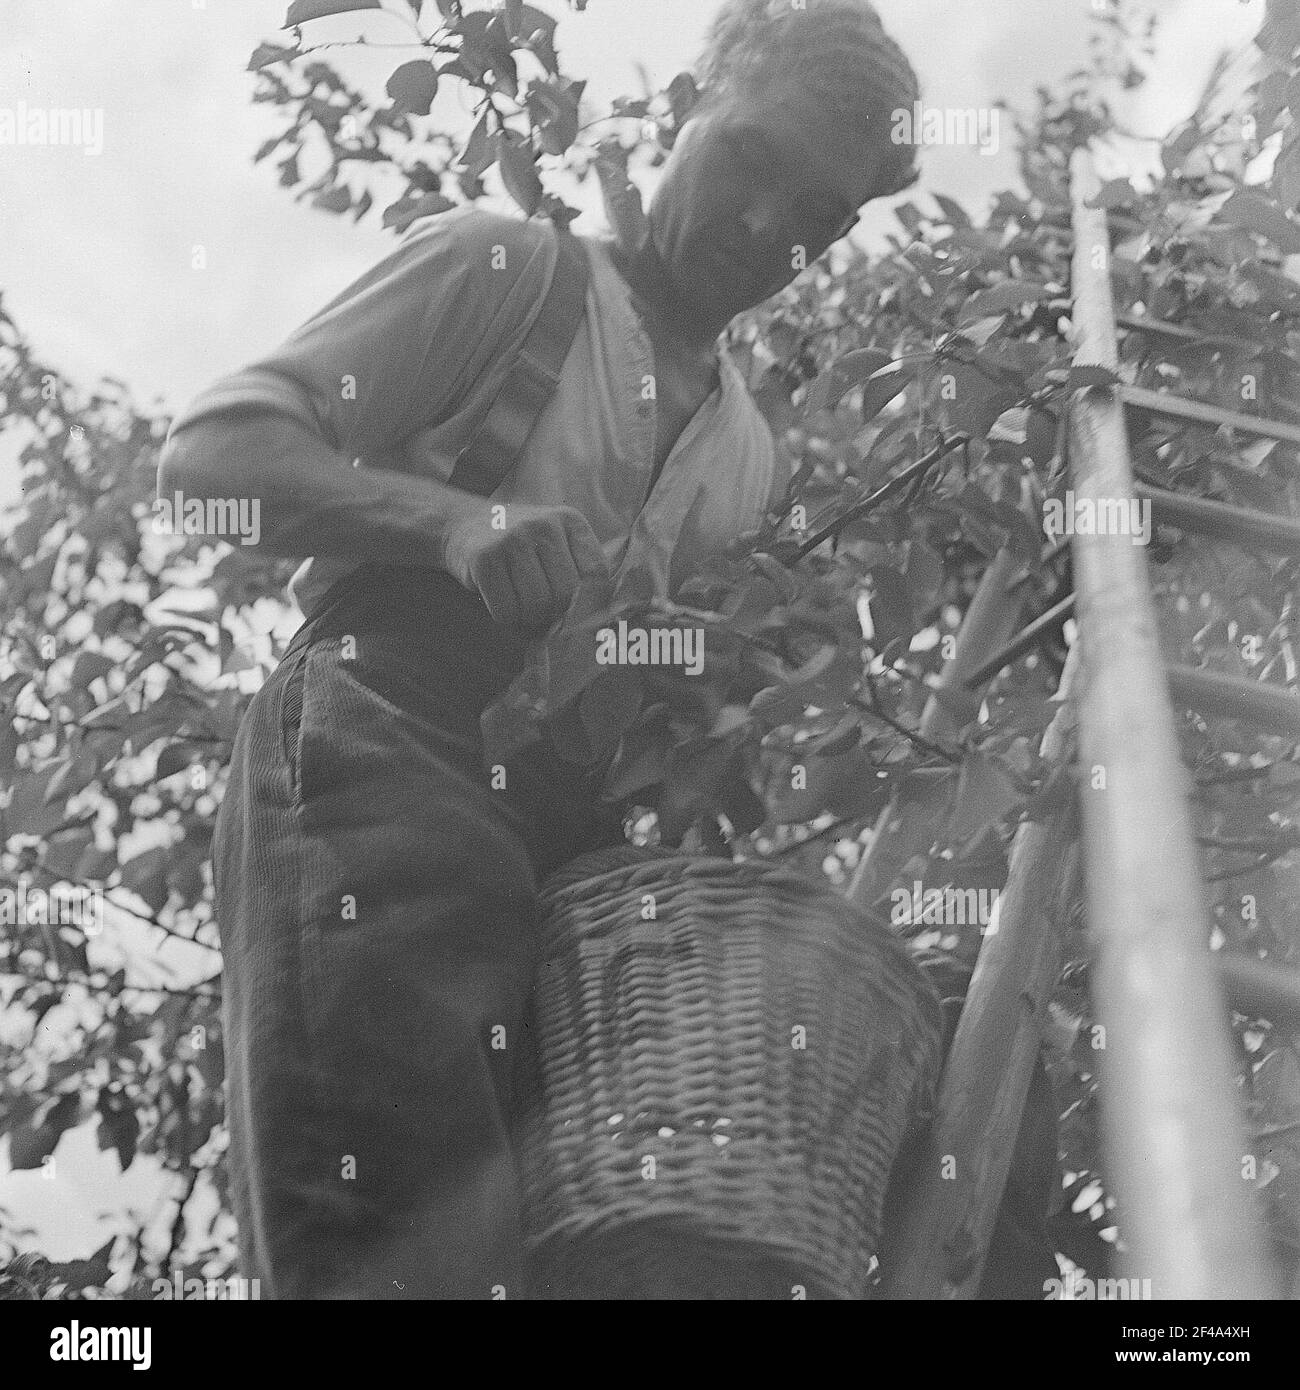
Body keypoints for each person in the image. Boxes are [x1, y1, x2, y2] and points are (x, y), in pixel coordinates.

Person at [159, 0, 921, 1299]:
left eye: (818, 216)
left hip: (553, 869)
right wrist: (453, 522)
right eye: (751, 161)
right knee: (398, 1239)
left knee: (551, 1252)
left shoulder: (748, 458)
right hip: (376, 757)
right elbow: (210, 461)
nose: (767, 231)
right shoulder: (500, 270)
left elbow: (665, 728)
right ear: (686, 103)